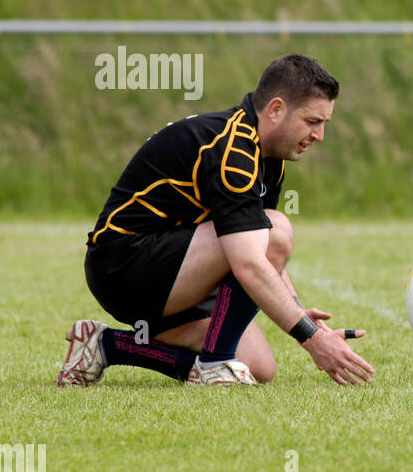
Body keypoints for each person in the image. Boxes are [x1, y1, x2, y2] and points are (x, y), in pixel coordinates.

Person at [57, 53, 374, 387]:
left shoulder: (267, 156)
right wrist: (312, 341)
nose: (320, 135)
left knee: (257, 367)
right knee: (276, 228)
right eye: (313, 122)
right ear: (277, 109)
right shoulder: (234, 151)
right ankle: (214, 364)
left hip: (176, 268)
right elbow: (254, 258)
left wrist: (305, 321)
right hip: (124, 267)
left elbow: (262, 251)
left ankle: (104, 346)